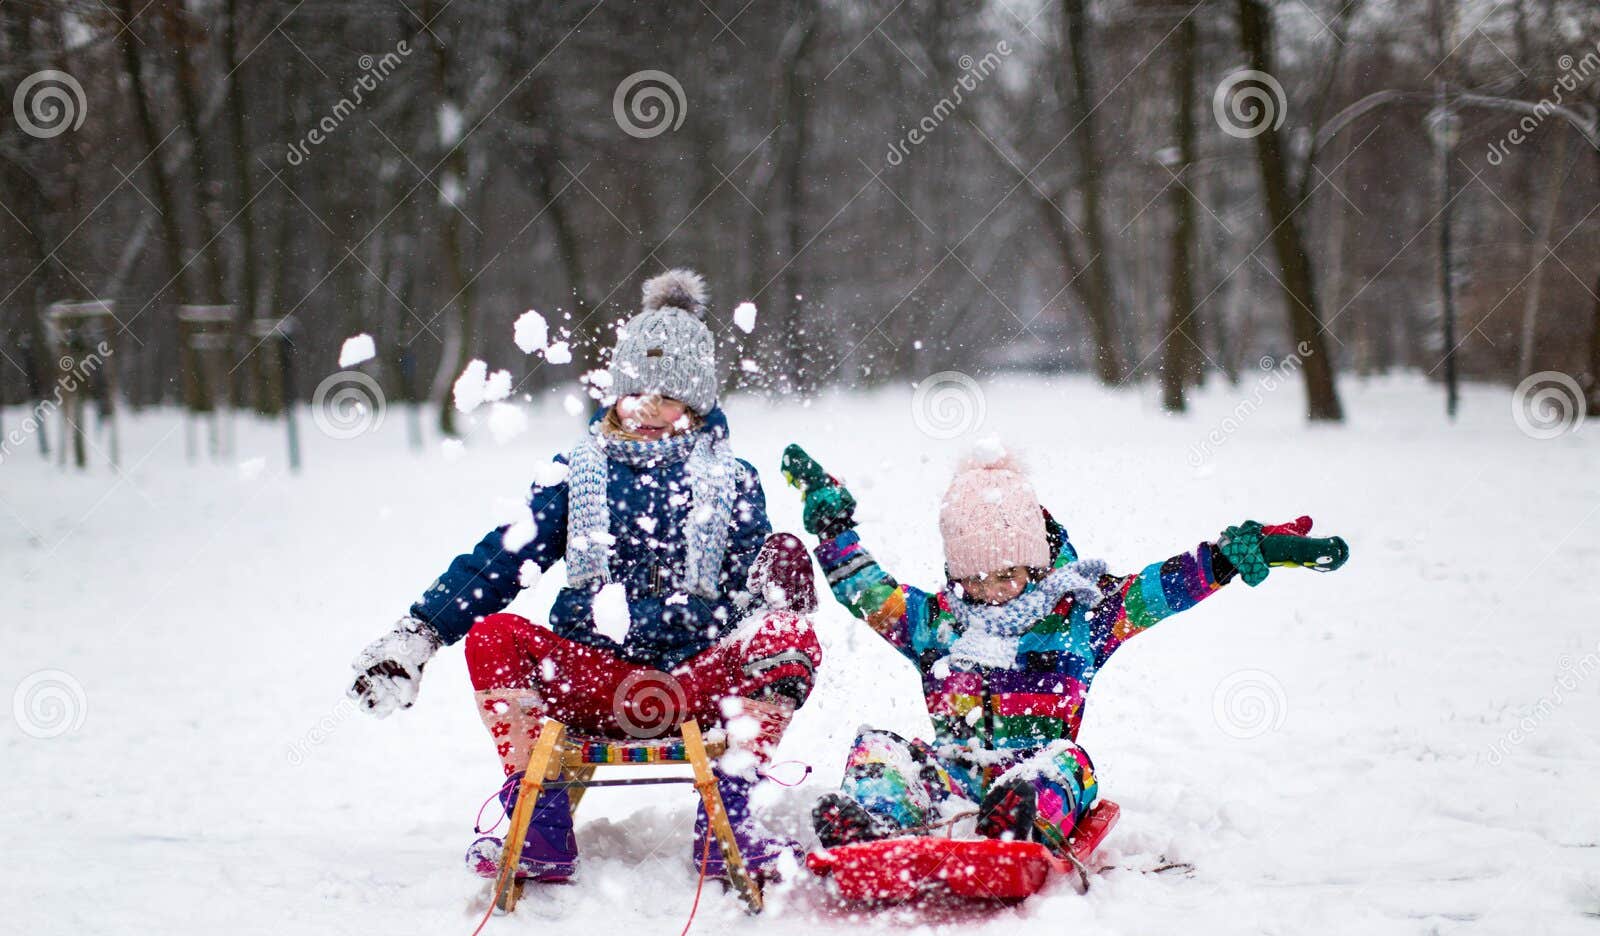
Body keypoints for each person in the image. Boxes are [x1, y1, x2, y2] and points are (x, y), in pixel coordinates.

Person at [348, 270, 821, 885]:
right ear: (616, 392)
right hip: (596, 682)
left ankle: (730, 816)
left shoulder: (735, 480)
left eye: (670, 395)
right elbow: (500, 559)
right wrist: (421, 632)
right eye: (637, 392)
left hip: (695, 683)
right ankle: (537, 820)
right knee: (496, 635)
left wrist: (777, 589)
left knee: (789, 633)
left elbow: (747, 600)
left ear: (698, 404)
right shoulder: (575, 472)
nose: (650, 408)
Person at [781, 441, 1348, 851]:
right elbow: (869, 592)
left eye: (1006, 576)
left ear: (1036, 561)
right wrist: (833, 530)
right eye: (974, 580)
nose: (991, 593)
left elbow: (1162, 587)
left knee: (1069, 765)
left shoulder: (1084, 617)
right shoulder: (938, 623)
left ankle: (1020, 827)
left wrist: (1227, 556)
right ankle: (871, 824)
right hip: (951, 779)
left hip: (1034, 775)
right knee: (878, 746)